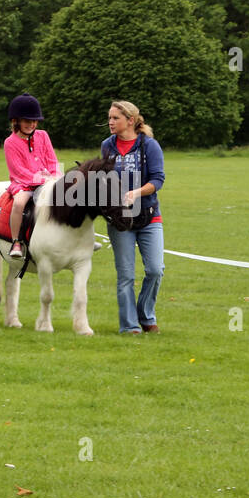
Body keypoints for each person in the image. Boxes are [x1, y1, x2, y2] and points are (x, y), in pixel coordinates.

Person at [101, 100, 164, 334]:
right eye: (109, 117)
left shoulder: (149, 146)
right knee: (126, 275)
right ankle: (130, 326)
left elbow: (158, 180)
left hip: (149, 218)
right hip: (120, 220)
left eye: (115, 118)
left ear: (130, 120)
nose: (110, 122)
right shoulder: (107, 146)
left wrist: (136, 192)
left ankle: (146, 315)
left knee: (155, 269)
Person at [3, 93, 59, 259]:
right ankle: (16, 241)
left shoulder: (43, 135)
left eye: (34, 121)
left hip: (48, 181)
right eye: (28, 121)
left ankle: (78, 239)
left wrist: (56, 177)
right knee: (19, 204)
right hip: (23, 184)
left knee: (70, 198)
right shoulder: (10, 142)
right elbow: (19, 171)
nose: (32, 124)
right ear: (16, 121)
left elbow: (52, 161)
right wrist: (44, 180)